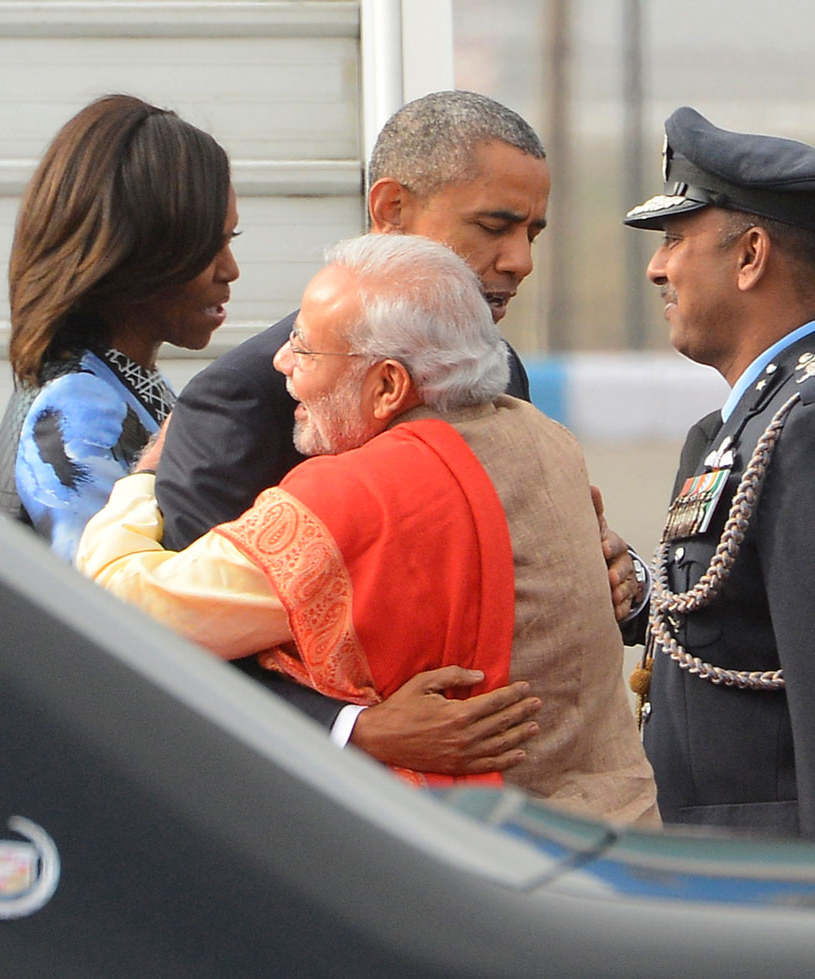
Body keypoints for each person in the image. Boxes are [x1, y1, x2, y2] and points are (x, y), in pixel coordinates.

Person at [78, 233, 658, 821]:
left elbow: (124, 607)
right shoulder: (547, 441)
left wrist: (143, 481)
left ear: (387, 386)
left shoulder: (354, 495)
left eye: (304, 349)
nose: (281, 363)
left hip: (472, 869)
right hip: (618, 842)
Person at [151, 89, 645, 774]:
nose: (519, 261)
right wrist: (355, 728)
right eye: (494, 225)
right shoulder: (244, 399)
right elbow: (177, 635)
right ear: (391, 210)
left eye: (531, 233)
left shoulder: (504, 380)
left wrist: (611, 578)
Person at [624, 106, 815, 835]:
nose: (655, 267)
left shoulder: (800, 425)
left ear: (750, 255)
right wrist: (643, 597)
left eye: (674, 239)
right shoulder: (738, 425)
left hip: (774, 892)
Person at [0, 94, 239, 561]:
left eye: (231, 240)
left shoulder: (119, 381)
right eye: (209, 245)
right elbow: (114, 600)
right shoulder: (76, 408)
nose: (230, 269)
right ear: (138, 252)